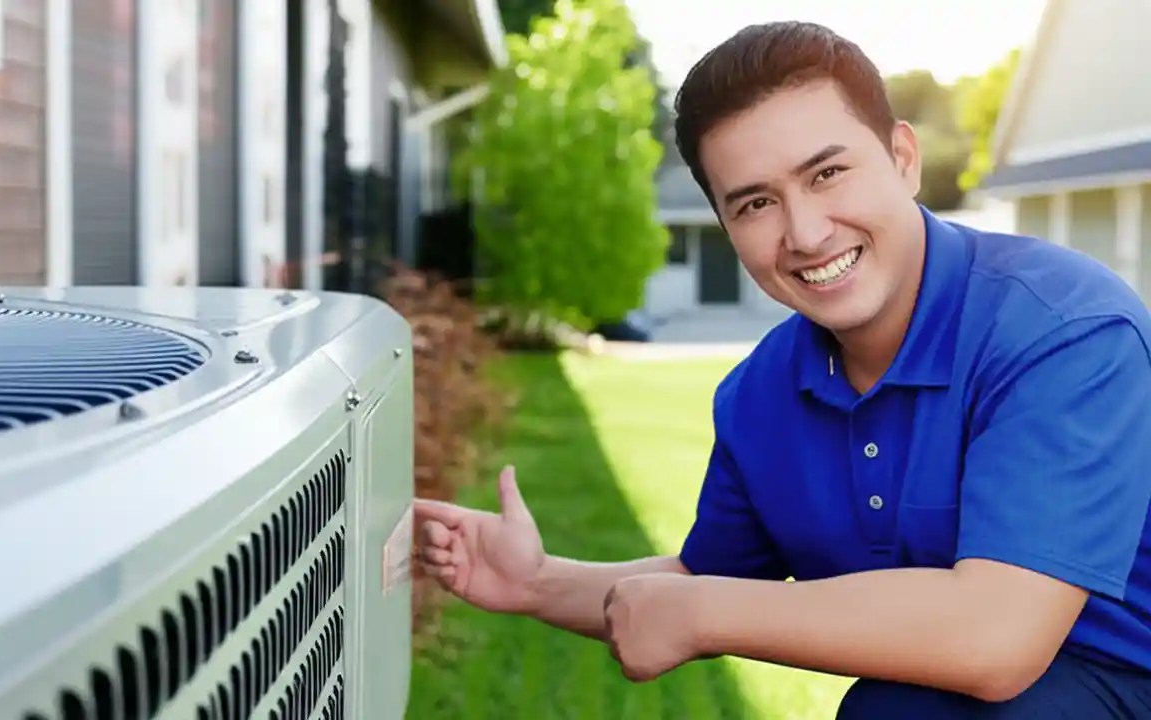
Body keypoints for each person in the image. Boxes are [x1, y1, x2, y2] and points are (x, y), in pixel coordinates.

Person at [412, 20, 1151, 718]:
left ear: (903, 158)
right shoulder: (762, 395)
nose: (804, 231)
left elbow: (997, 640)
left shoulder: (1062, 331)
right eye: (757, 203)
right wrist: (537, 582)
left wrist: (706, 617)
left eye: (827, 173)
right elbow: (706, 586)